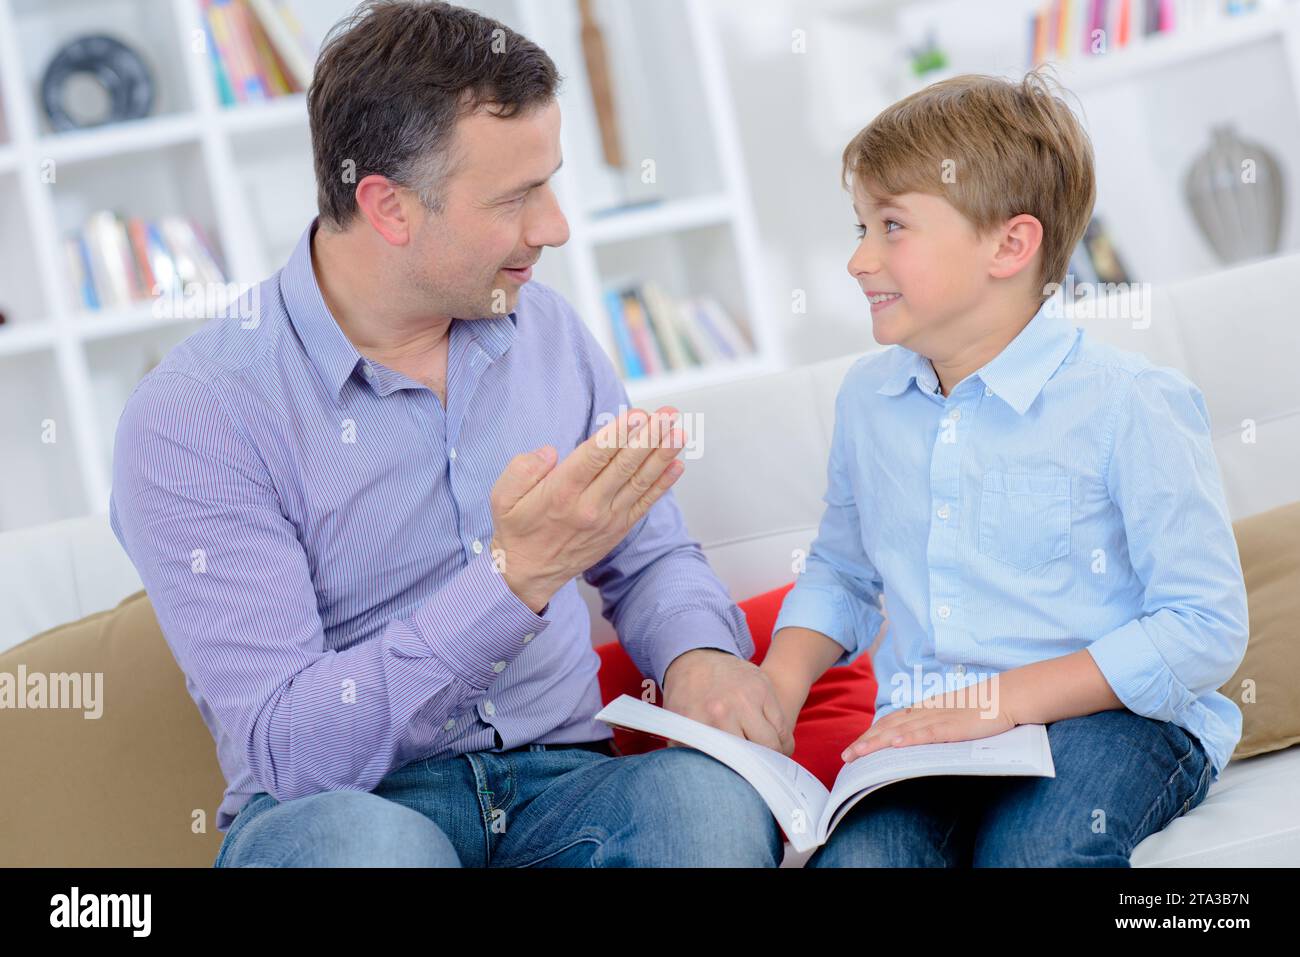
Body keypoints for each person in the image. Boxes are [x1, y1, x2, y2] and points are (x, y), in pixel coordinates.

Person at [110, 0, 788, 868]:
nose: (554, 227)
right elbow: (291, 748)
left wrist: (699, 656)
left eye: (551, 181)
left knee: (705, 808)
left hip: (566, 787)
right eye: (517, 197)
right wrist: (510, 582)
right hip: (352, 805)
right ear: (388, 207)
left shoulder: (548, 333)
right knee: (368, 851)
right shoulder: (197, 415)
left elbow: (649, 556)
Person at [758, 71, 1249, 867]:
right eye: (860, 226)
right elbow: (844, 572)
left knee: (1037, 854)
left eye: (891, 226)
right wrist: (779, 683)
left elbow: (1205, 626)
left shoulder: (1128, 402)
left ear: (1010, 245)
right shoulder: (869, 400)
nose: (857, 259)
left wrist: (998, 703)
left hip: (1110, 722)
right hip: (930, 737)